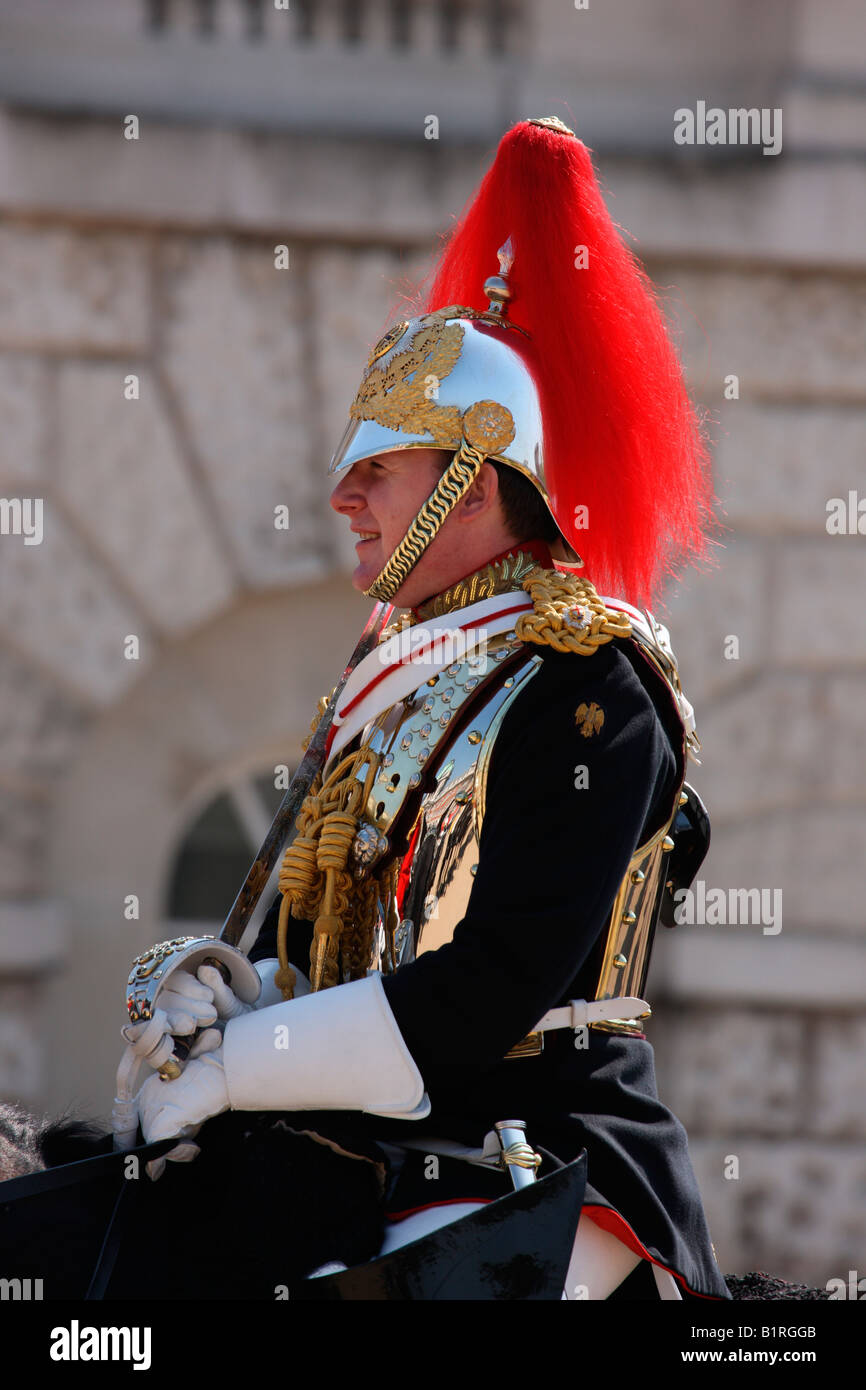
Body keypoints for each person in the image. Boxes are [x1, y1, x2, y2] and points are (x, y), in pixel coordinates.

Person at [126, 117, 729, 1300]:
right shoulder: (393, 690)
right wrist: (228, 1003)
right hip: (369, 1142)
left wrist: (245, 1064)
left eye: (379, 470)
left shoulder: (585, 684)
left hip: (538, 1151)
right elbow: (340, 953)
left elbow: (496, 981)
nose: (343, 496)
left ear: (475, 479)